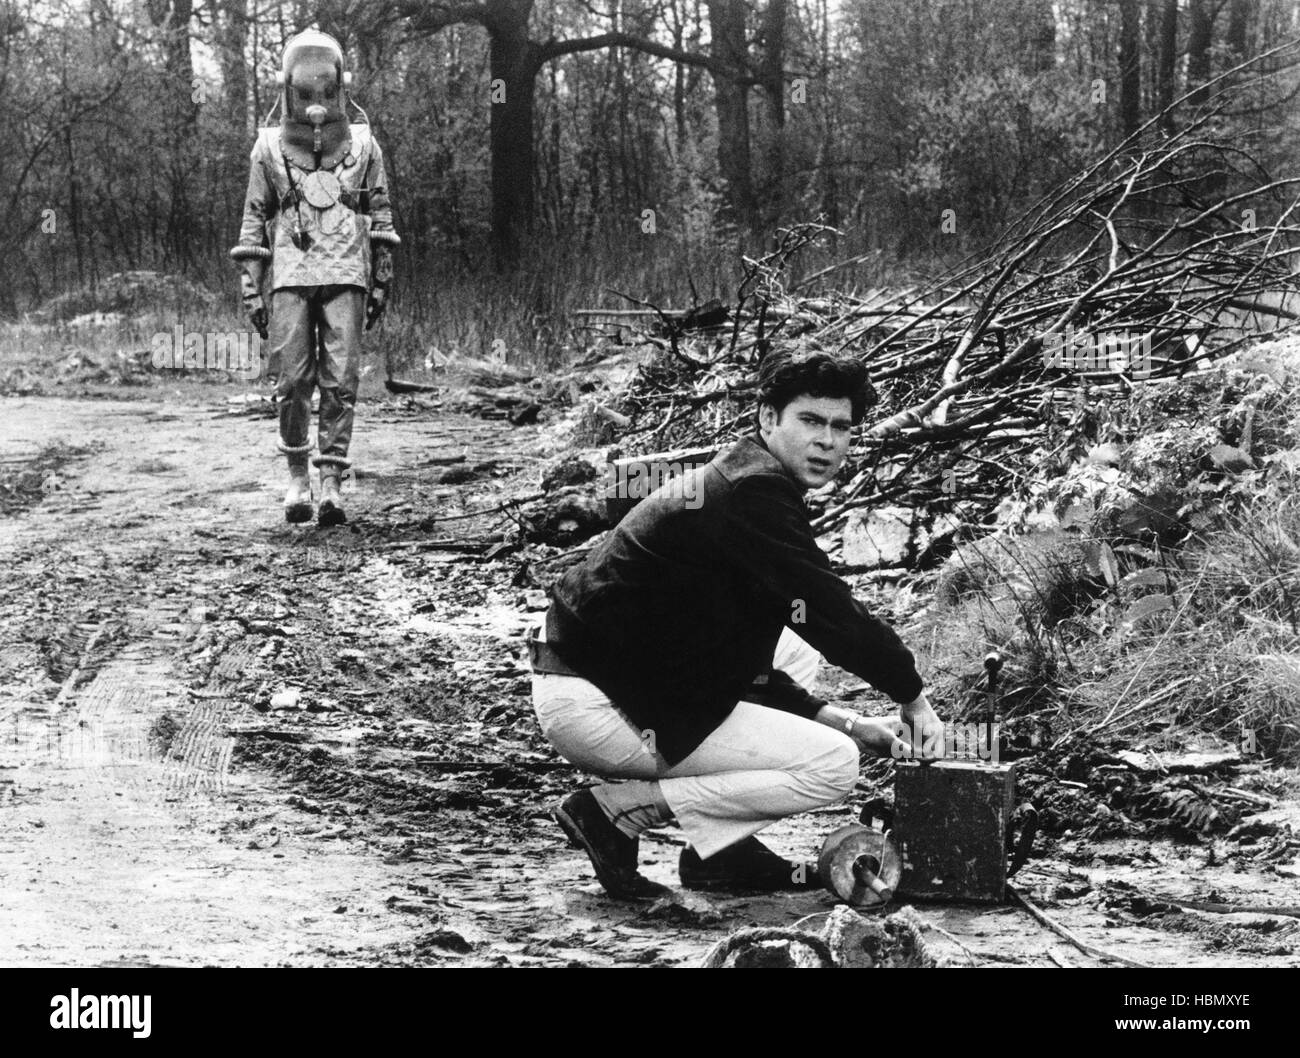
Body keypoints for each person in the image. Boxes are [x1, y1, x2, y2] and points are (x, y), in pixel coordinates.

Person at [529, 348, 945, 900]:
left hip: (613, 678)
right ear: (769, 418)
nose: (826, 441)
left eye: (841, 427)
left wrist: (845, 719)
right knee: (832, 764)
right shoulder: (754, 493)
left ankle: (720, 854)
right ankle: (616, 812)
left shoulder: (749, 475)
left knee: (797, 651)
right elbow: (832, 612)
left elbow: (738, 657)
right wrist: (911, 696)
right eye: (810, 421)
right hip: (599, 703)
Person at [230, 28, 400, 525]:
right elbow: (253, 220)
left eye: (326, 91)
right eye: (305, 92)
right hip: (290, 276)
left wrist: (383, 271)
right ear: (288, 88)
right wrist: (250, 285)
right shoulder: (268, 149)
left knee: (341, 380)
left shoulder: (365, 147)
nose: (317, 104)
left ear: (340, 87)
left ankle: (331, 482)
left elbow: (382, 216)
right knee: (292, 381)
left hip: (346, 272)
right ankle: (298, 477)